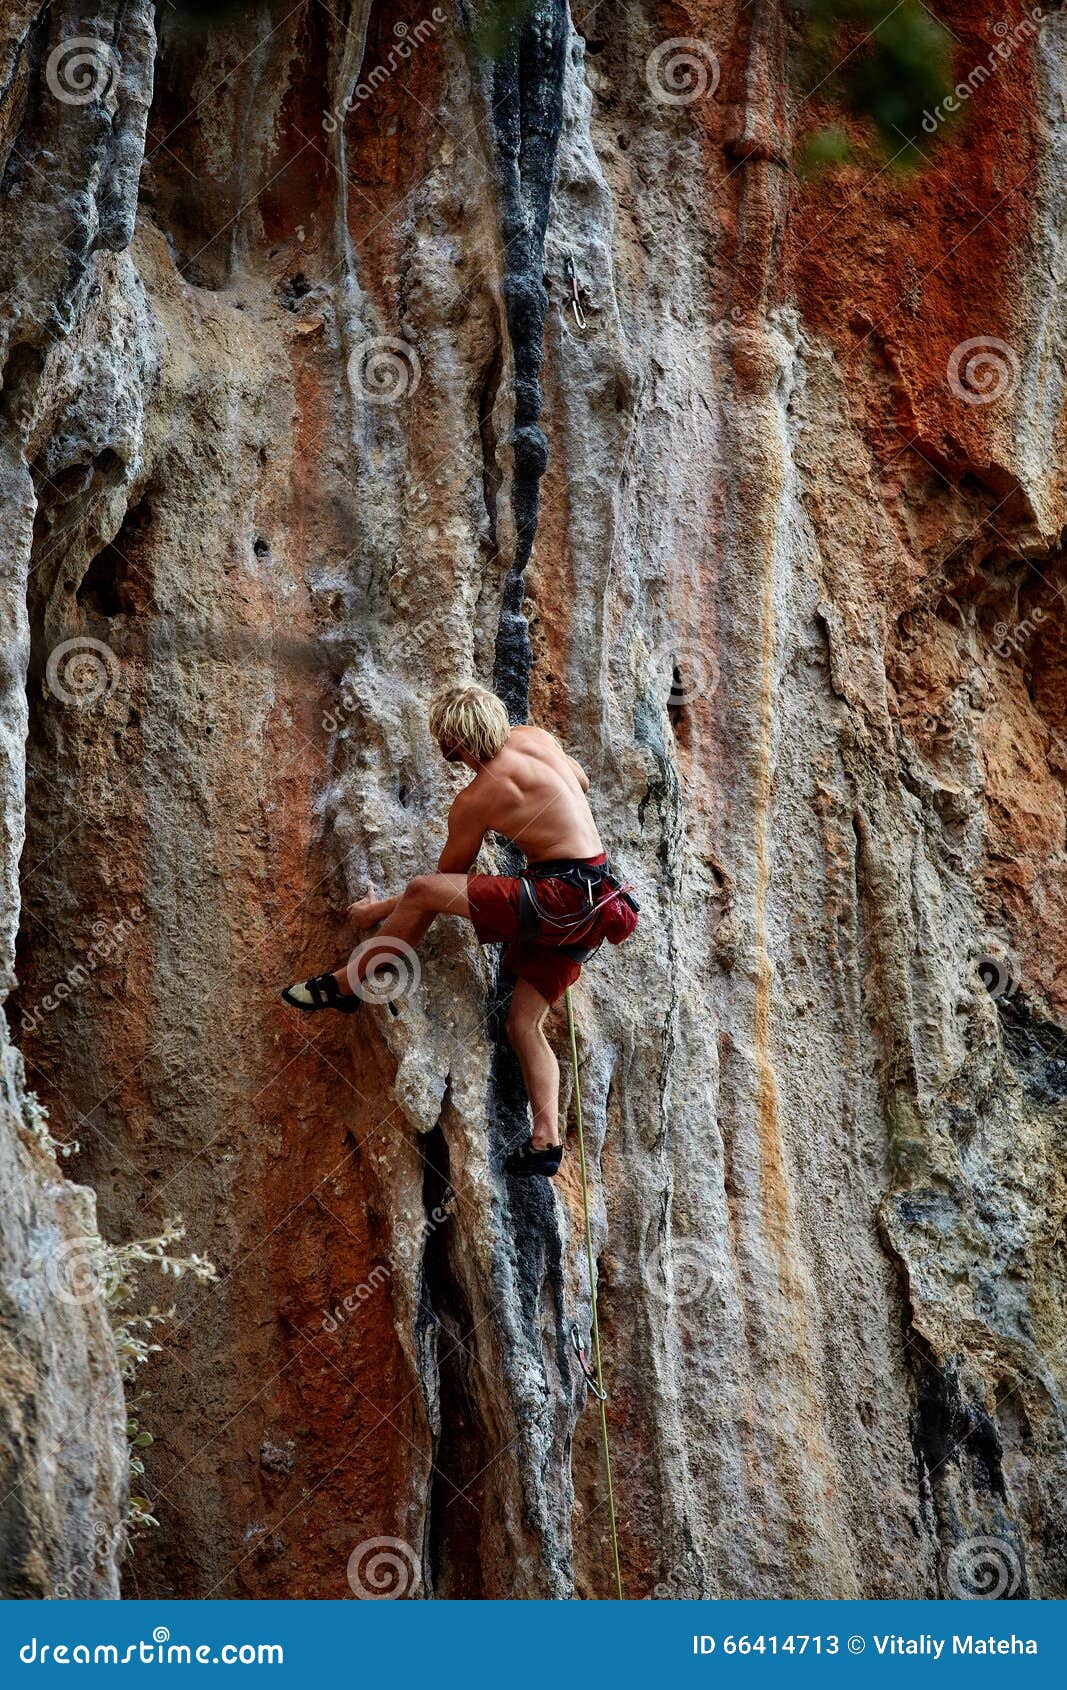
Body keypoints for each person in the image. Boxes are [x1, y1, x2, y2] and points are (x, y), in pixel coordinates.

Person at [282, 683, 637, 1177]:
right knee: (523, 1023)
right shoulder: (535, 738)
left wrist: (376, 910)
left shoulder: (478, 798)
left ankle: (348, 984)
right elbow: (581, 779)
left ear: (455, 742)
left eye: (443, 741)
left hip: (558, 898)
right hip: (601, 899)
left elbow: (438, 886)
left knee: (423, 889)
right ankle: (545, 1143)